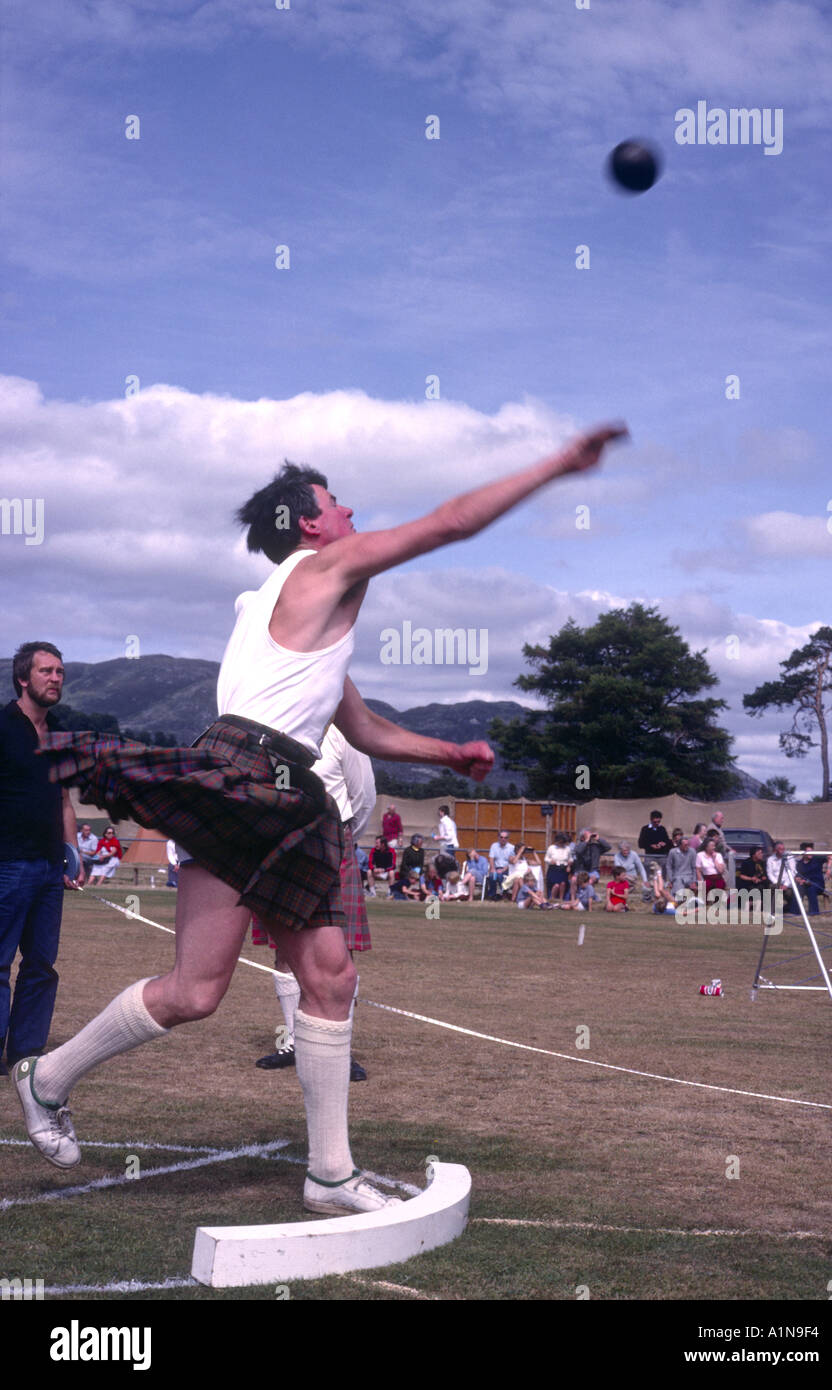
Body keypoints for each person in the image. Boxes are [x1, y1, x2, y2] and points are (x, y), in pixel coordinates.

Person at [15, 421, 625, 1212]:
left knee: (326, 980)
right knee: (199, 992)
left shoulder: (300, 618)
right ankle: (49, 1074)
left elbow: (359, 728)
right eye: (337, 502)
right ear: (307, 523)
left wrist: (448, 754)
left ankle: (327, 1173)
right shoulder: (322, 567)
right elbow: (449, 522)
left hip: (289, 785)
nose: (350, 512)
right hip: (245, 775)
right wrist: (556, 466)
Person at [254, 723, 376, 1081]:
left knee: (340, 950)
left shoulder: (344, 734)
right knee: (283, 948)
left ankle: (339, 1049)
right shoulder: (274, 730)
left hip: (332, 838)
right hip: (281, 840)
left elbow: (364, 796)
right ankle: (294, 1042)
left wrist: (343, 835)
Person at [1, 643, 84, 1078]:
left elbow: (65, 800)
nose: (56, 678)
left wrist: (73, 854)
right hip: (8, 864)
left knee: (40, 964)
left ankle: (25, 1051)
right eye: (46, 671)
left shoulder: (61, 731)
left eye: (60, 672)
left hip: (51, 868)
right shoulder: (2, 725)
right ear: (23, 678)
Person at [795, 842, 828, 916]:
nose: (811, 853)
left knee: (811, 889)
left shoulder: (817, 859)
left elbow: (831, 856)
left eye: (811, 851)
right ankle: (795, 911)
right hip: (805, 884)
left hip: (818, 885)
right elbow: (798, 876)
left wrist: (828, 869)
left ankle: (814, 912)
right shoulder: (800, 864)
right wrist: (799, 880)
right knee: (798, 889)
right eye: (808, 852)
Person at [486, 829, 516, 899]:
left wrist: (503, 870)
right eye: (501, 837)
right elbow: (491, 859)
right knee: (492, 876)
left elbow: (511, 862)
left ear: (508, 838)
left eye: (505, 837)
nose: (503, 839)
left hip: (507, 869)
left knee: (499, 876)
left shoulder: (512, 848)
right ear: (498, 837)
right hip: (496, 868)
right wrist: (493, 869)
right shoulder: (494, 846)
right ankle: (492, 895)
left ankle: (503, 893)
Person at [544, 832, 571, 904]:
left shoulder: (567, 849)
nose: (561, 844)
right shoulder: (551, 848)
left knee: (563, 884)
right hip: (553, 868)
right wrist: (550, 861)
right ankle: (552, 899)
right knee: (556, 885)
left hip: (563, 869)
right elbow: (546, 859)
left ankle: (561, 900)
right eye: (560, 842)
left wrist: (569, 866)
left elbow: (570, 859)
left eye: (563, 843)